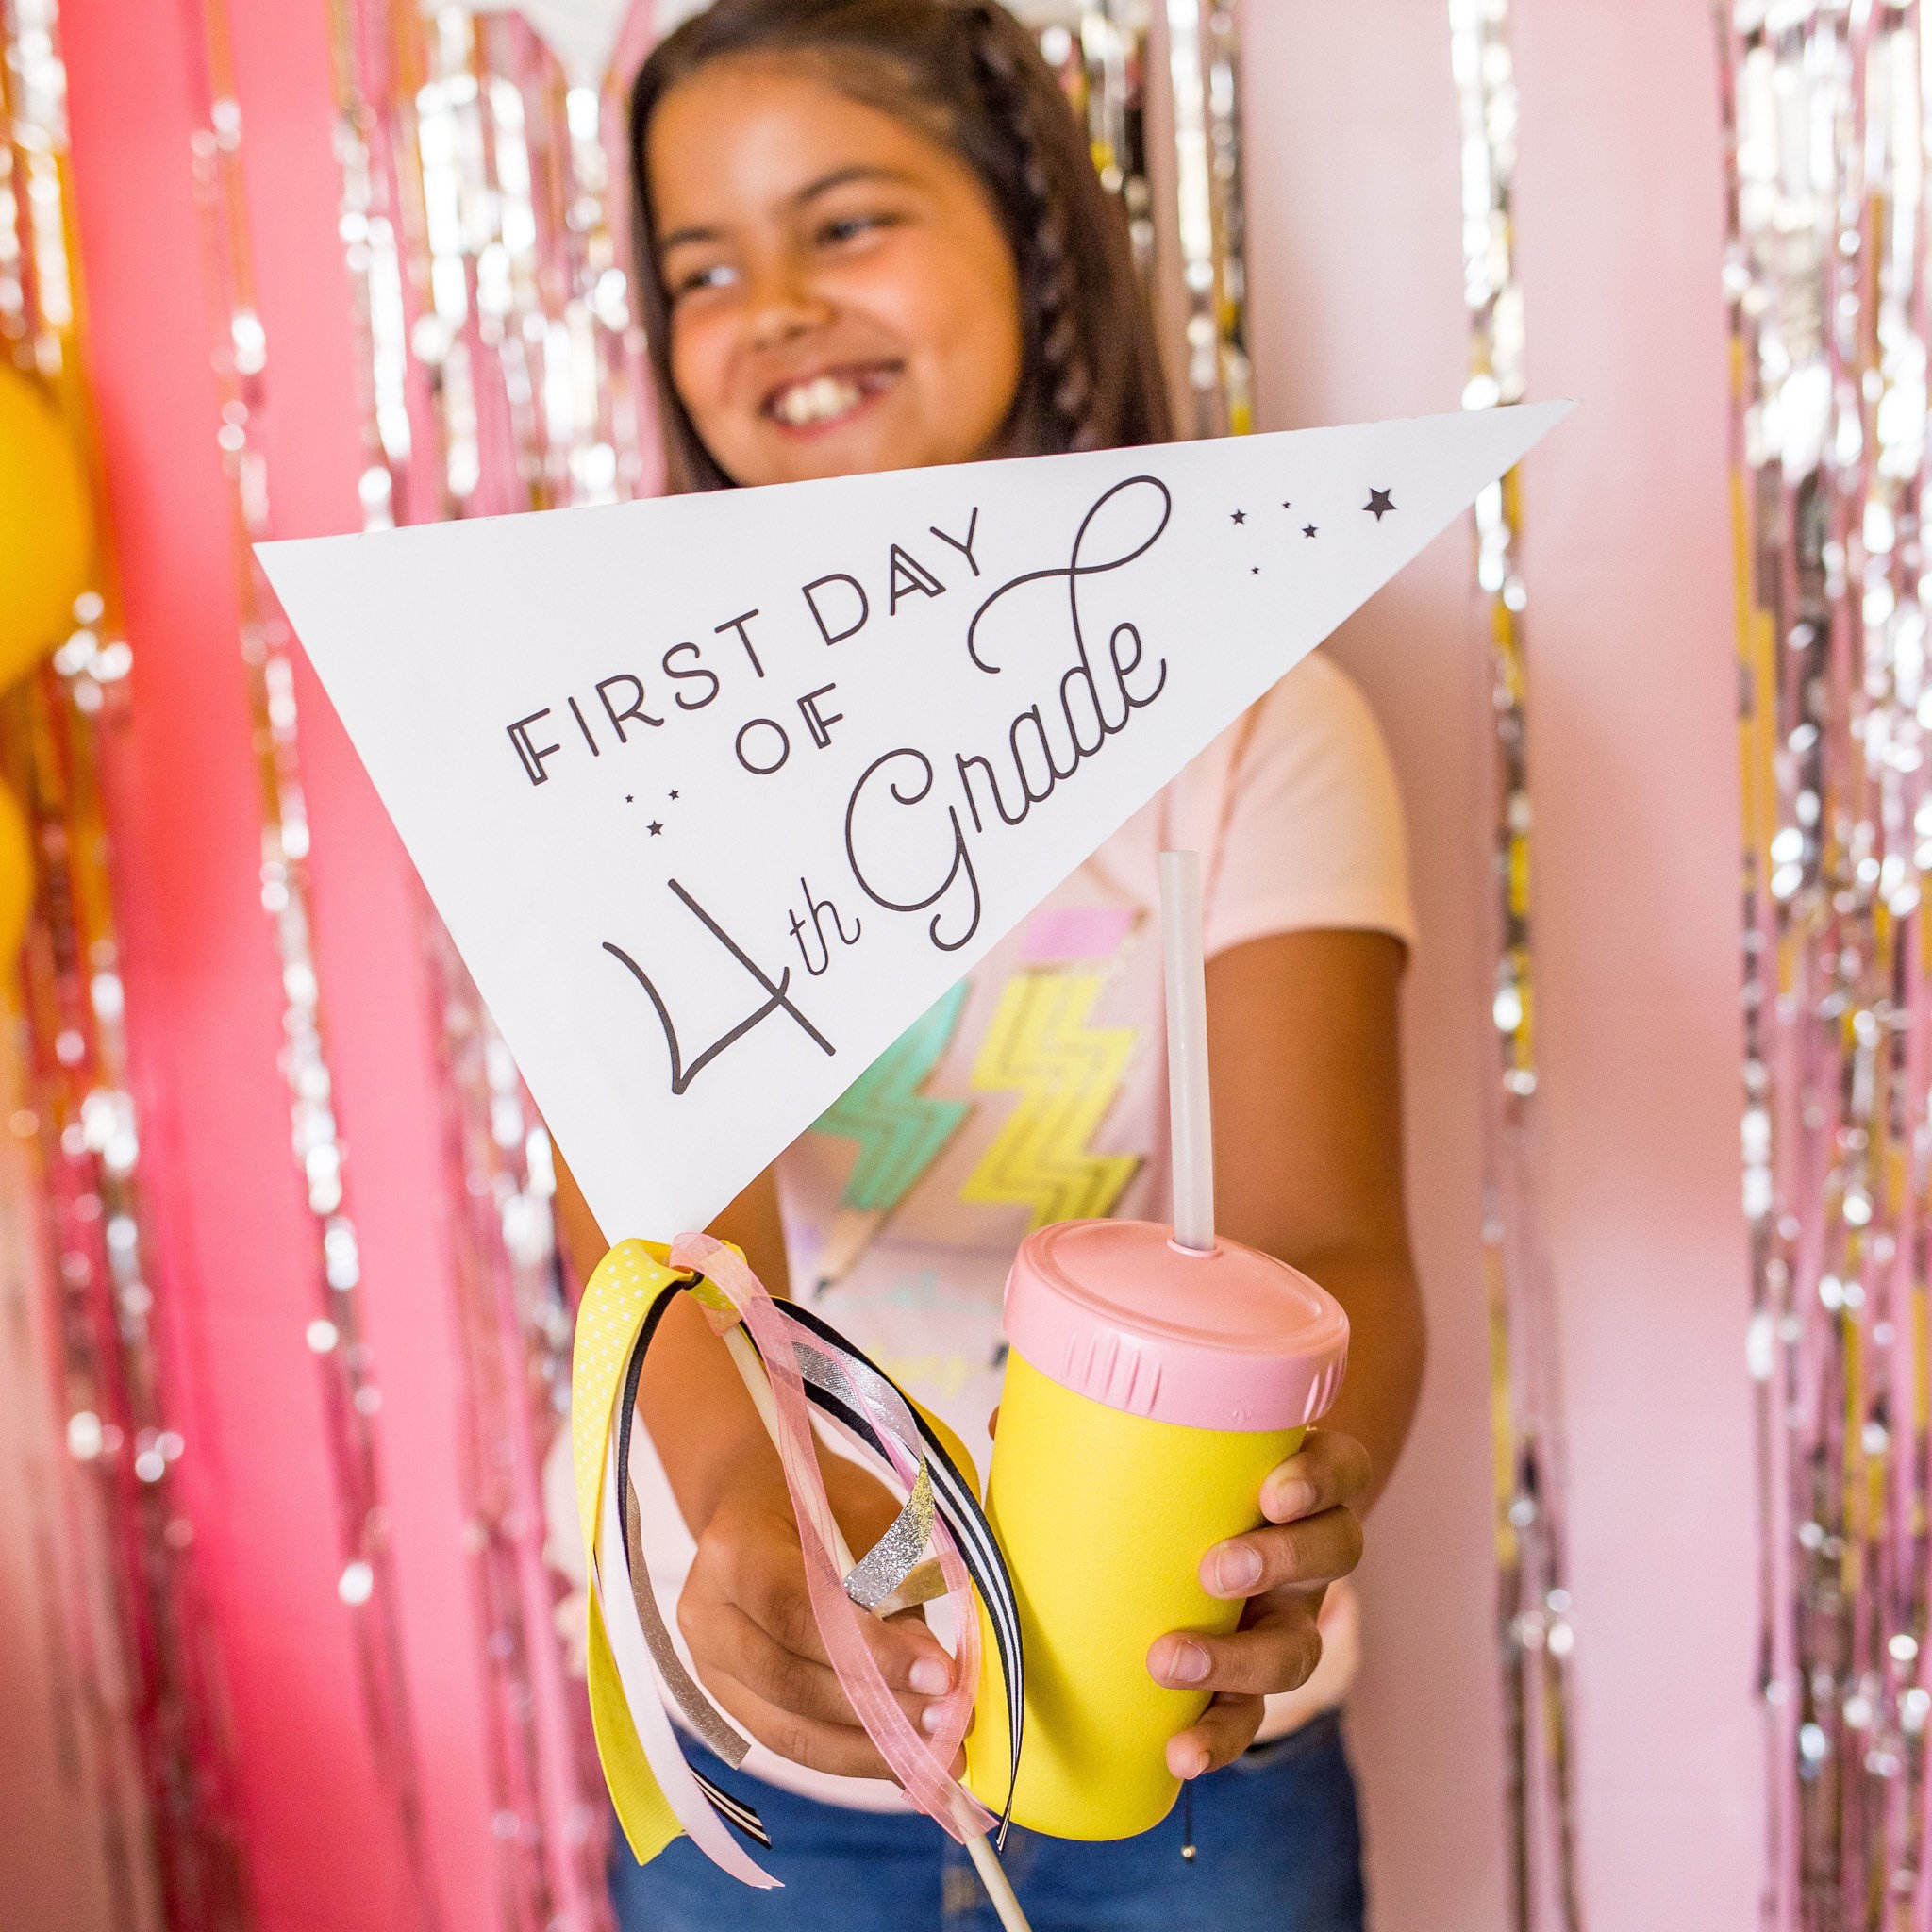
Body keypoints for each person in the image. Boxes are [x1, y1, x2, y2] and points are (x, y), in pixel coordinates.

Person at [555, 4, 1426, 1925]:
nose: (770, 304)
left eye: (844, 222)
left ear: (1032, 243)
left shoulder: (1260, 728)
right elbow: (652, 1242)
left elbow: (1332, 1242)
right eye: (703, 265)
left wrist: (1294, 1505)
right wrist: (753, 1507)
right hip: (763, 1768)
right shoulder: (618, 753)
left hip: (1187, 1754)